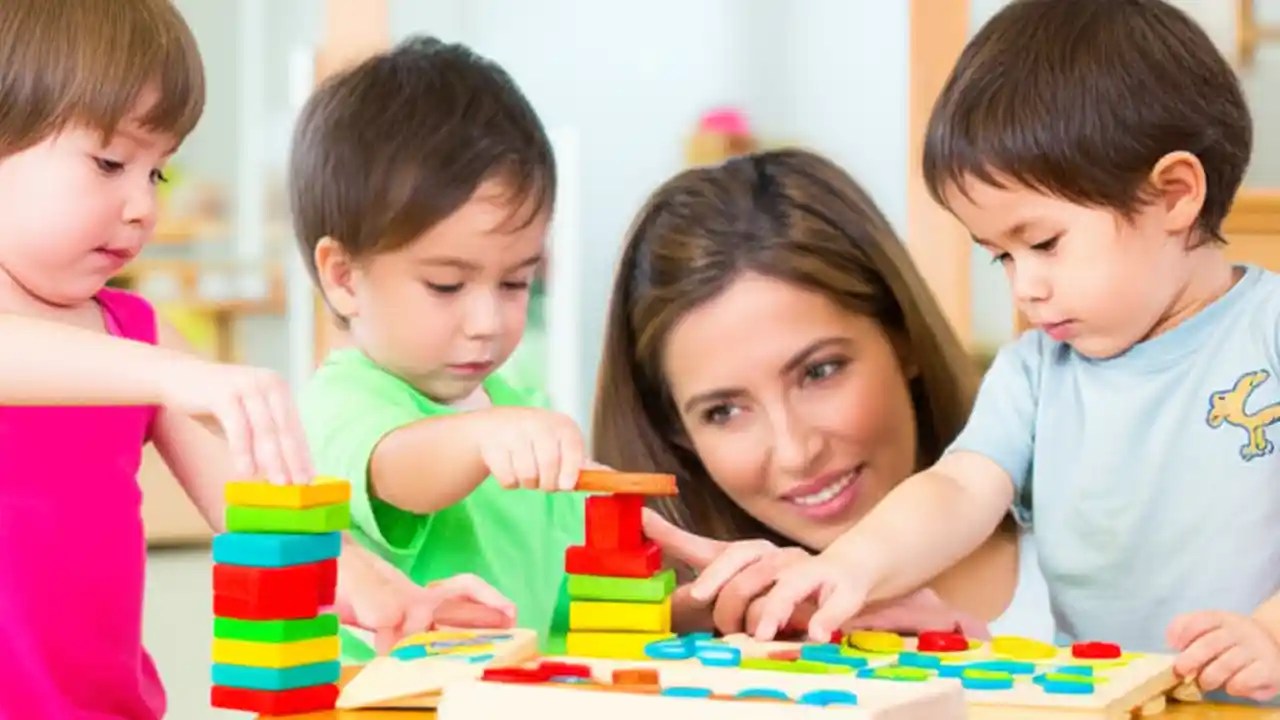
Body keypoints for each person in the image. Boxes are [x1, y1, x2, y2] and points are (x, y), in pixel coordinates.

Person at [750, 0, 1280, 704]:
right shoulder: (1036, 372)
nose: (1025, 287)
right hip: (1108, 705)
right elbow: (958, 489)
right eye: (1000, 255)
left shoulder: (1268, 331)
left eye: (1045, 243)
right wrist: (852, 565)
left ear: (1174, 195)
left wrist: (1271, 635)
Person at [0, 4, 514, 716]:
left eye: (159, 174)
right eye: (111, 162)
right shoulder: (145, 360)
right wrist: (174, 374)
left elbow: (265, 512)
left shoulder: (135, 335)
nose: (141, 206)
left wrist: (390, 594)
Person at [590, 147, 1052, 641]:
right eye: (724, 411)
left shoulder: (1091, 557)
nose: (796, 452)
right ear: (677, 432)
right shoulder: (685, 642)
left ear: (903, 337)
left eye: (820, 371)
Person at [291, 36, 591, 662]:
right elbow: (399, 472)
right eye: (447, 285)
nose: (486, 322)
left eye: (516, 282)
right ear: (344, 277)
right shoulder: (341, 401)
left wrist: (683, 604)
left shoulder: (513, 405)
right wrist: (490, 436)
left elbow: (568, 598)